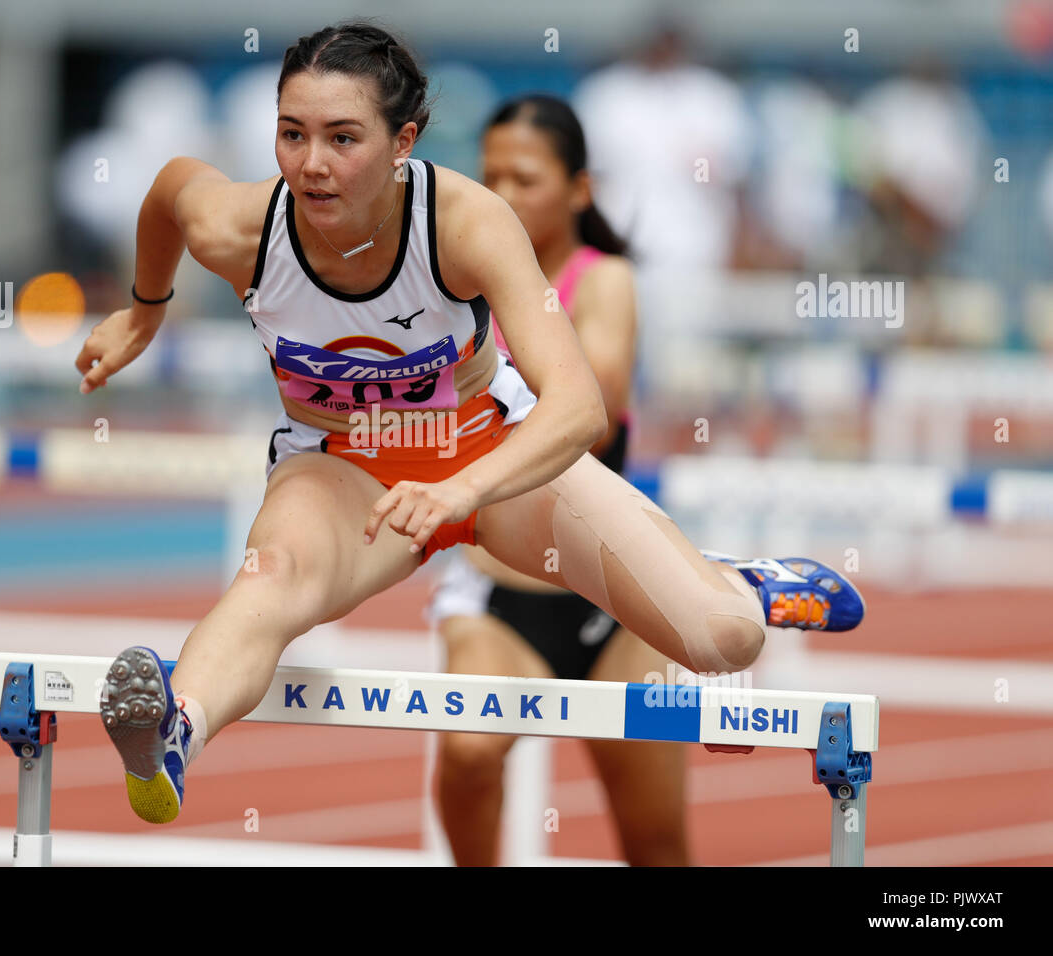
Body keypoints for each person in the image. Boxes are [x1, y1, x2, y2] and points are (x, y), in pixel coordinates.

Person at [73, 20, 866, 826]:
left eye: (342, 138)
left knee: (722, 640)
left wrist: (459, 489)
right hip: (343, 469)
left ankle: (739, 582)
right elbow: (172, 189)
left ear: (401, 143)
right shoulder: (244, 228)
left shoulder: (464, 221)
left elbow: (578, 405)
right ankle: (174, 732)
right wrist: (143, 313)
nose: (312, 163)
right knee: (271, 575)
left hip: (492, 457)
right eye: (292, 134)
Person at [424, 93, 687, 866]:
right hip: (500, 600)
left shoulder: (602, 281)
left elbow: (594, 413)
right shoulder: (453, 286)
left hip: (617, 602)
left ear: (578, 190)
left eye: (526, 178)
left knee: (657, 846)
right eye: (490, 175)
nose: (501, 194)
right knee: (469, 753)